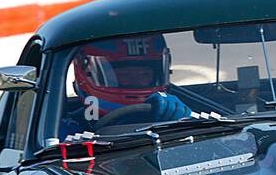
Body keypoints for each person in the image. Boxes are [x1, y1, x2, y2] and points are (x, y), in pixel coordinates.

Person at [63, 35, 191, 135]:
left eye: (144, 74)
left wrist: (181, 124)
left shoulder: (173, 112)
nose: (134, 81)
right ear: (86, 72)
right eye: (123, 75)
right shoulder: (70, 127)